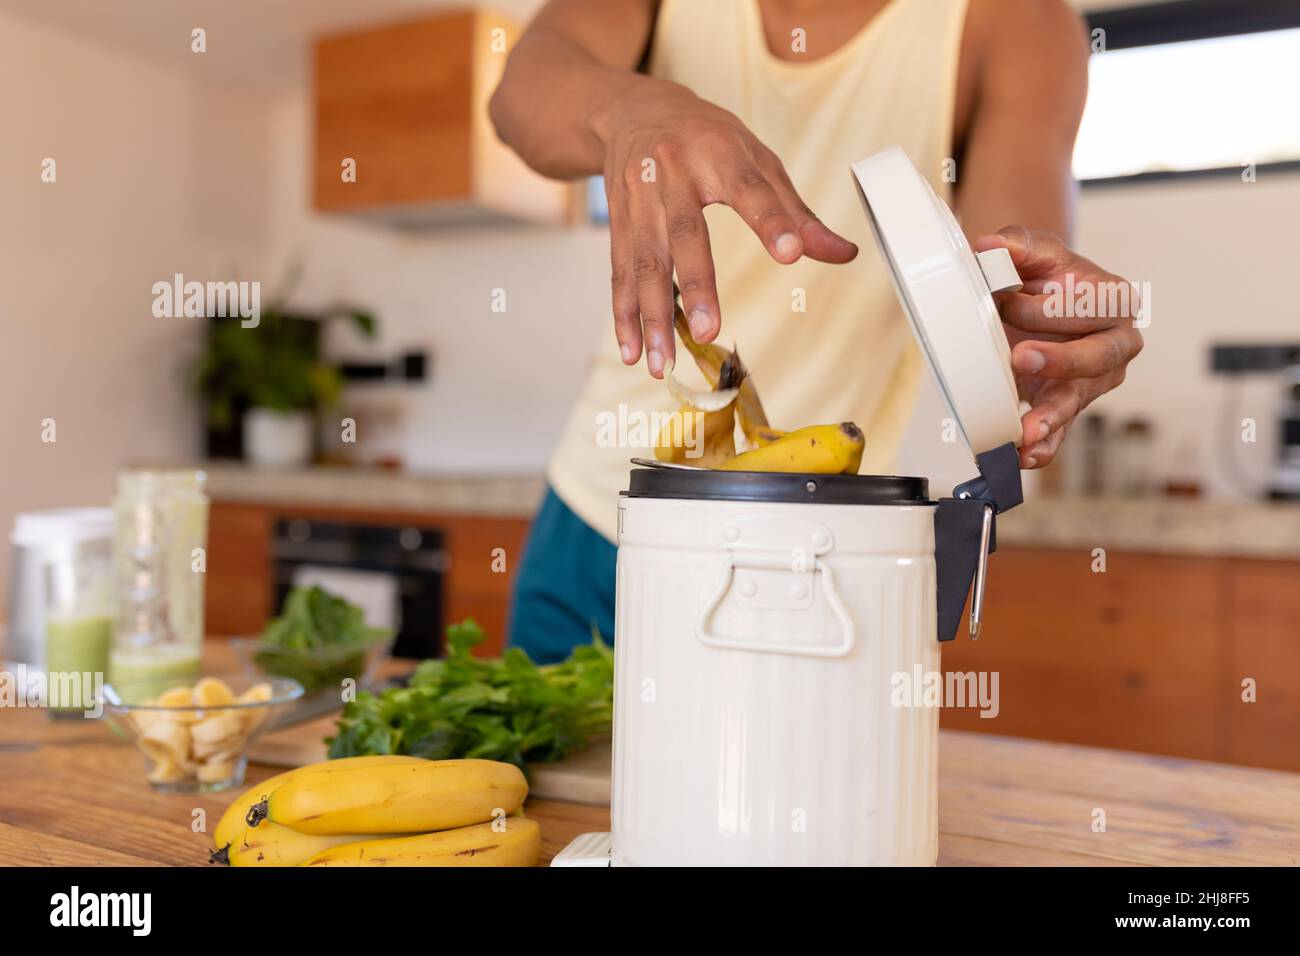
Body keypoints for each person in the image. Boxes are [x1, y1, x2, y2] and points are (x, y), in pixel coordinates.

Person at [490, 0, 1143, 663]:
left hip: (812, 550)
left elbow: (1000, 289)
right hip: (599, 505)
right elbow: (519, 98)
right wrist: (626, 110)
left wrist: (1043, 327)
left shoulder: (1016, 22)